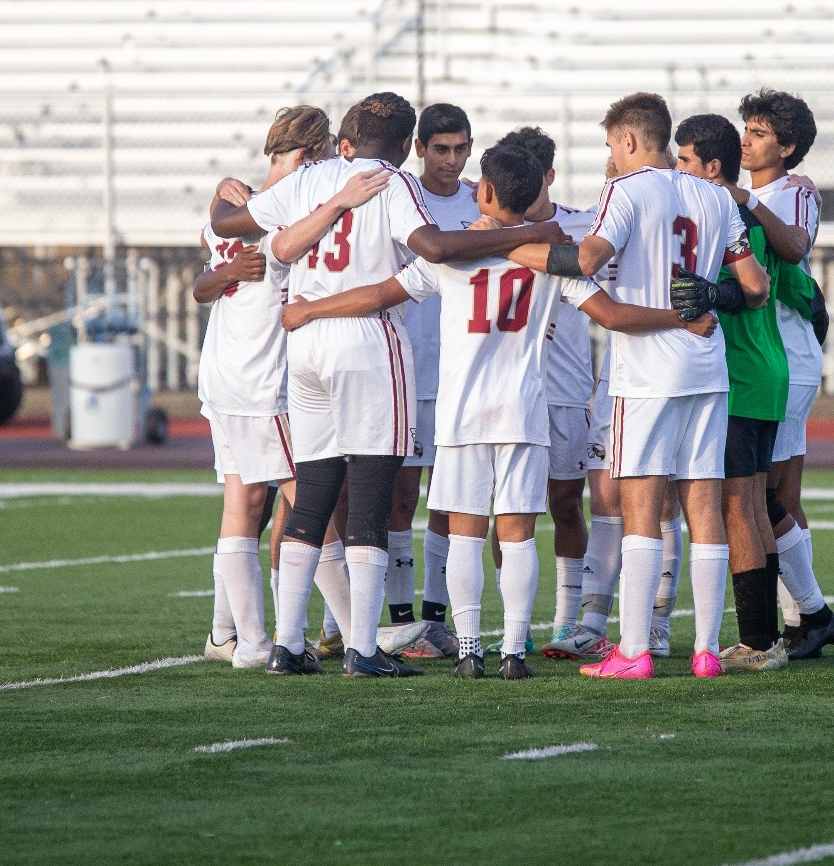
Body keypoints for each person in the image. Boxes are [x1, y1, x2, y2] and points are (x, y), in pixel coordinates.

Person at [282, 144, 713, 678]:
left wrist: (310, 309)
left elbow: (378, 294)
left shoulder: (451, 256)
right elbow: (614, 315)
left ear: (484, 190)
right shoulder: (550, 259)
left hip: (462, 416)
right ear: (534, 196)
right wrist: (680, 318)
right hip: (523, 414)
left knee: (465, 533)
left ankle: (469, 651)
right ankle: (513, 651)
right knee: (518, 534)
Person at [210, 92, 564, 678]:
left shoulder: (311, 177)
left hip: (305, 340)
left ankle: (287, 644)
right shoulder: (393, 182)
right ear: (406, 145)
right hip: (369, 340)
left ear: (348, 136)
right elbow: (434, 248)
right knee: (372, 499)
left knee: (313, 493)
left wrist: (226, 192)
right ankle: (363, 649)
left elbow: (228, 225)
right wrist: (527, 232)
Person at [520, 92, 768, 680]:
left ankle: (633, 650)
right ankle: (706, 651)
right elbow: (754, 287)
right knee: (702, 506)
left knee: (641, 508)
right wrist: (711, 296)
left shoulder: (627, 190)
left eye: (611, 142)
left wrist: (513, 247)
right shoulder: (715, 195)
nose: (610, 153)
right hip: (708, 366)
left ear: (629, 140)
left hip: (648, 370)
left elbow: (587, 259)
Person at [194, 105, 362, 670]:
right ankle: (359, 635)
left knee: (241, 504)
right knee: (312, 503)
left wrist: (221, 198)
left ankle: (245, 642)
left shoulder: (232, 207)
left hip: (224, 377)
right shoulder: (286, 209)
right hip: (265, 380)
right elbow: (218, 277)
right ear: (309, 156)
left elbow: (206, 269)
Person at [675, 113, 803, 671]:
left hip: (743, 370)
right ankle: (766, 639)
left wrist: (709, 295)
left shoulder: (722, 213)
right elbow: (793, 279)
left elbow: (754, 287)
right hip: (767, 367)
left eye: (684, 160)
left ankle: (756, 641)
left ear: (712, 167)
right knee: (751, 505)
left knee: (736, 509)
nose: (676, 169)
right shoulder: (746, 213)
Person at [491, 127, 608, 658]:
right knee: (507, 511)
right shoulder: (482, 233)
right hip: (506, 390)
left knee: (565, 502)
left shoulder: (584, 226)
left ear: (550, 177)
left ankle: (566, 621)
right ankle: (513, 624)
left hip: (564, 391)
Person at [738, 89, 834, 658]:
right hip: (773, 355)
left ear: (787, 147)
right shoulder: (751, 194)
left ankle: (813, 611)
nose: (746, 141)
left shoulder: (793, 191)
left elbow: (795, 243)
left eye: (759, 133)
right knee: (783, 496)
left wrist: (745, 203)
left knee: (760, 495)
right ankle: (799, 621)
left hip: (785, 357)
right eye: (746, 129)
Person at [381, 103, 481, 662]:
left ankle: (437, 620)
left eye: (460, 148)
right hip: (406, 368)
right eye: (440, 149)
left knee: (450, 500)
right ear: (419, 148)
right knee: (402, 497)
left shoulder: (480, 202)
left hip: (461, 374)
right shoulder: (400, 197)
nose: (451, 159)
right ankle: (402, 624)